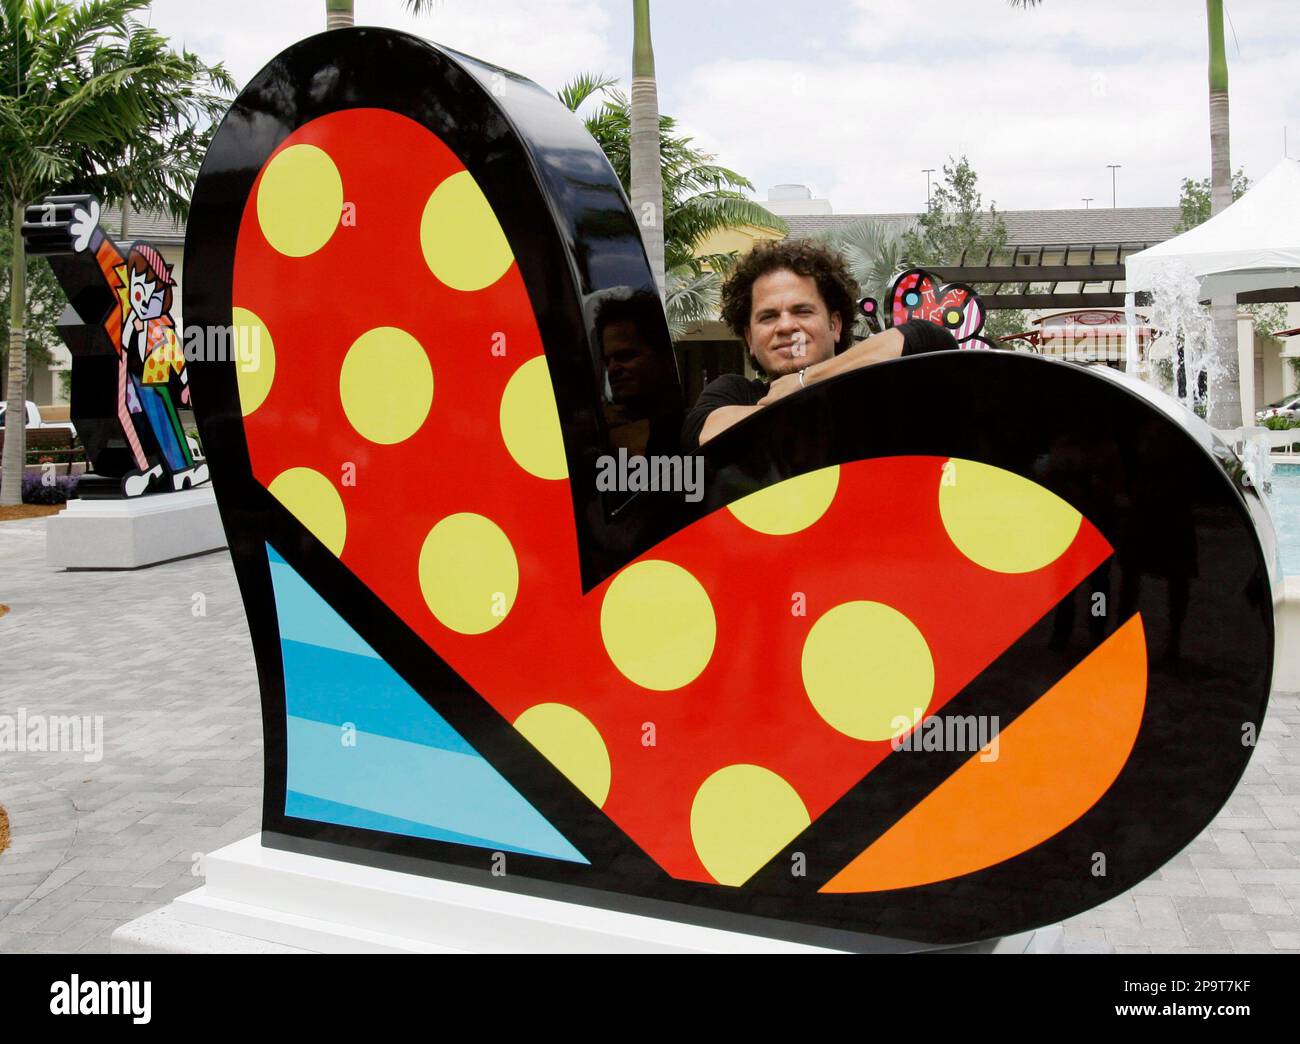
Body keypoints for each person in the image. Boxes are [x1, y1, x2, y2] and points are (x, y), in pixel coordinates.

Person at [681, 239, 958, 449]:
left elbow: (930, 340)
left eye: (802, 311)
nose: (786, 326)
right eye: (768, 316)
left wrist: (806, 382)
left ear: (834, 325)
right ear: (750, 338)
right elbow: (701, 433)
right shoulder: (735, 393)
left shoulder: (878, 384)